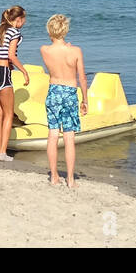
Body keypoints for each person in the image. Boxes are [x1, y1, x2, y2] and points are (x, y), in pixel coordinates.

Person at [40, 14, 88, 187]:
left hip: (53, 91)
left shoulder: (44, 50)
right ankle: (70, 179)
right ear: (66, 30)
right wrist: (85, 100)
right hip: (69, 93)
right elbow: (82, 78)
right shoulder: (75, 51)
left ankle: (53, 176)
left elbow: (54, 50)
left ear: (50, 30)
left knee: (53, 134)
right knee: (69, 137)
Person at [0, 5, 30, 162]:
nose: (23, 23)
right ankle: (2, 153)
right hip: (2, 73)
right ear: (18, 20)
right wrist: (24, 71)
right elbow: (11, 56)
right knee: (9, 113)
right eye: (23, 20)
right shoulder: (14, 32)